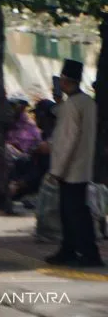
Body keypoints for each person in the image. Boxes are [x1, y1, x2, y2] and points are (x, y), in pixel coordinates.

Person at [45, 59, 104, 267]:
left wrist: (57, 170)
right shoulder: (87, 102)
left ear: (65, 80)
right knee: (74, 211)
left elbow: (66, 139)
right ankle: (69, 249)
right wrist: (59, 103)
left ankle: (88, 253)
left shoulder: (72, 106)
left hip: (70, 168)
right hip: (83, 165)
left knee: (74, 214)